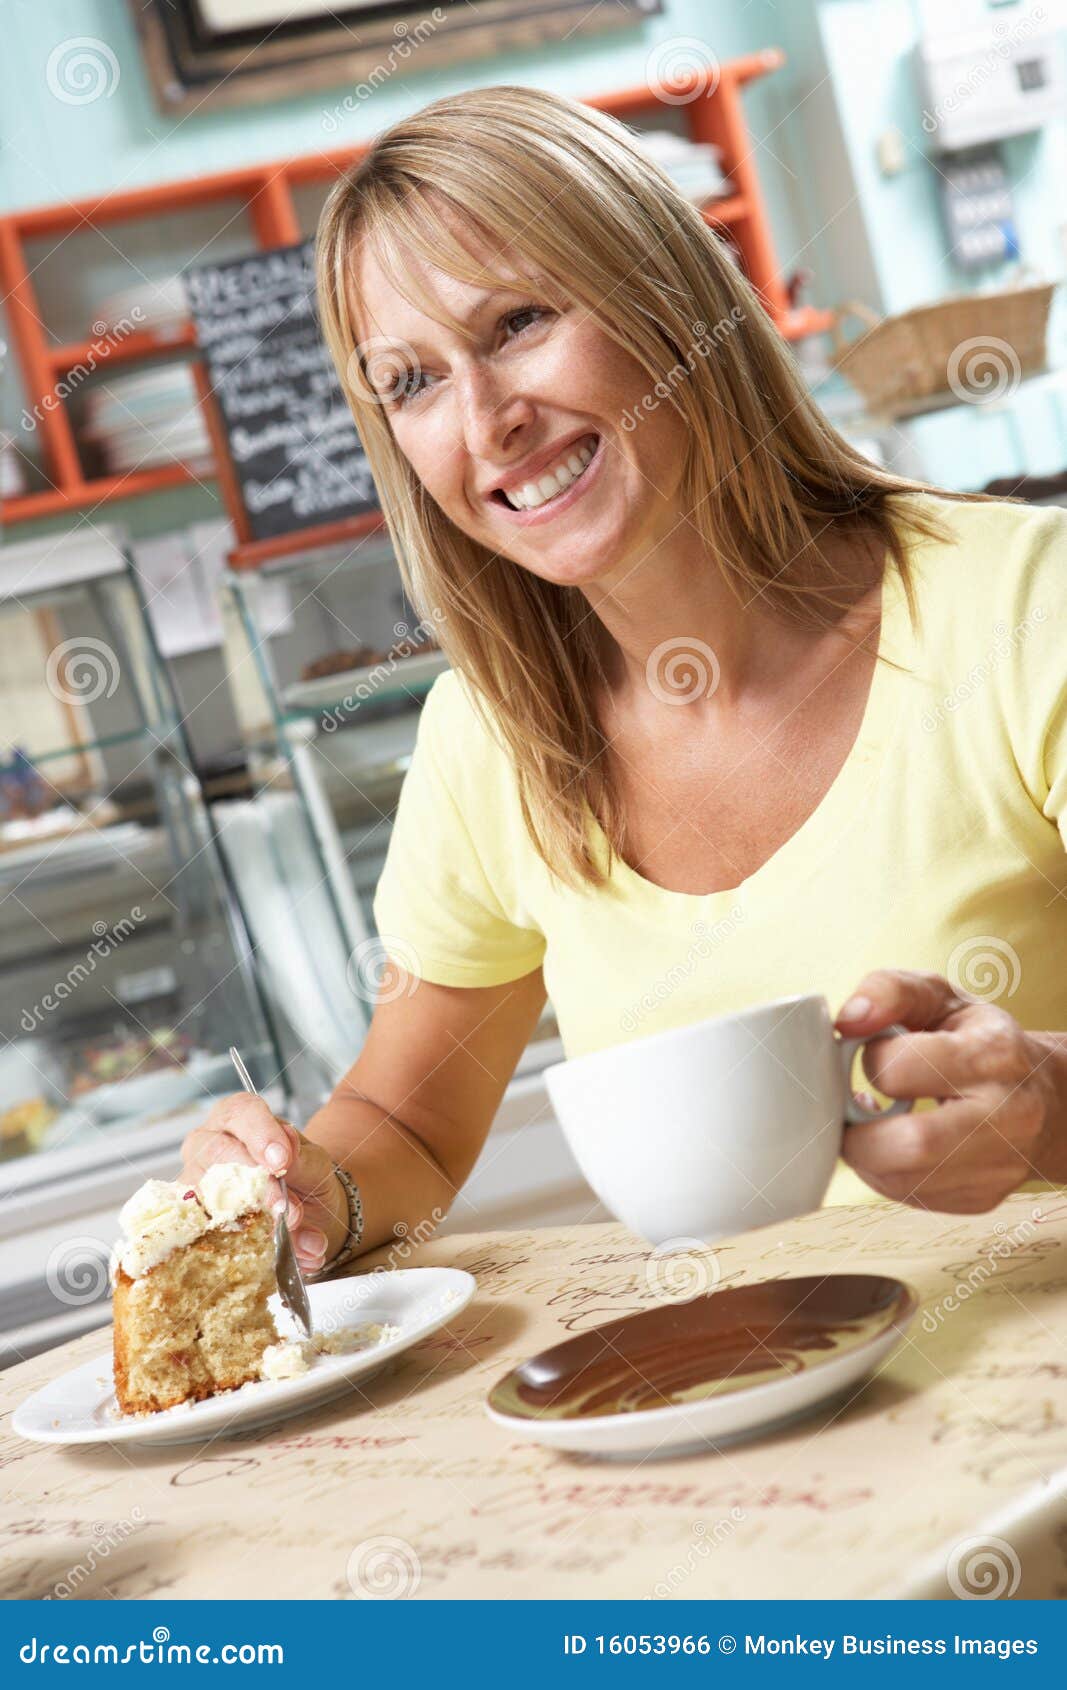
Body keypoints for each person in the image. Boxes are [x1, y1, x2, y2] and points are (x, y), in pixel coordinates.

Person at [183, 86, 1067, 1278]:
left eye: (516, 323)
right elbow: (404, 1127)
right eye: (412, 382)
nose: (486, 423)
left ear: (666, 294)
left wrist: (1044, 1106)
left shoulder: (1020, 608)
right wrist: (302, 1192)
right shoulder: (489, 740)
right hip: (730, 1422)